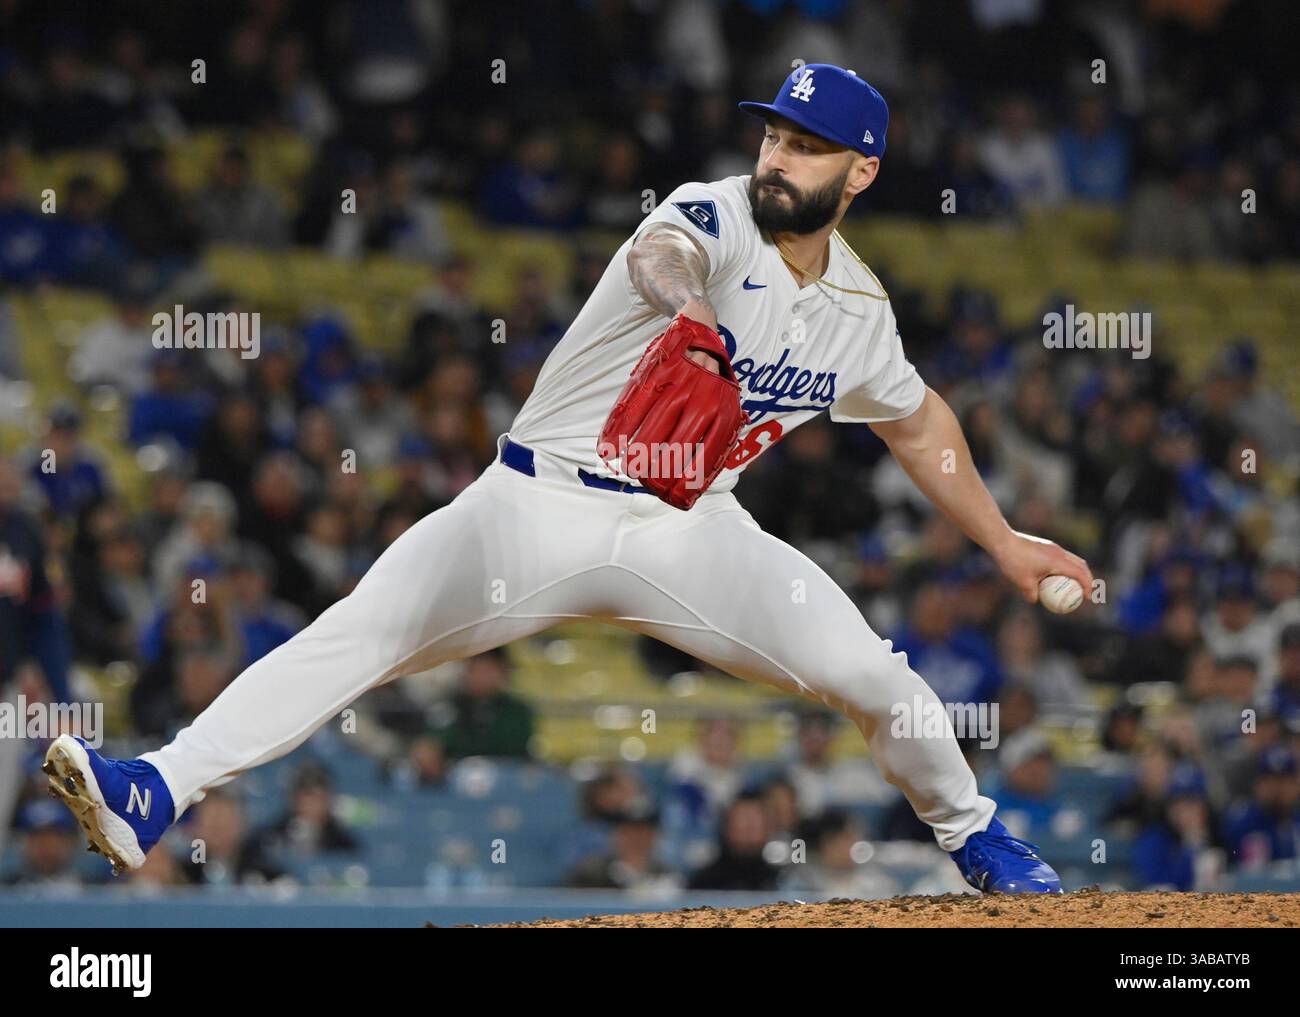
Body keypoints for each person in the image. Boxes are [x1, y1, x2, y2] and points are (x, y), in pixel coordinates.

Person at [46, 64, 1091, 893]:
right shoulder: (715, 214)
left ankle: (979, 842)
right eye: (773, 132)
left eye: (807, 145)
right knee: (360, 632)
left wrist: (1002, 541)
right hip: (535, 505)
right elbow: (660, 256)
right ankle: (155, 789)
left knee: (871, 673)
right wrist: (690, 312)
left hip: (689, 529)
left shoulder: (859, 312)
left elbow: (914, 421)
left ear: (860, 172)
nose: (778, 155)